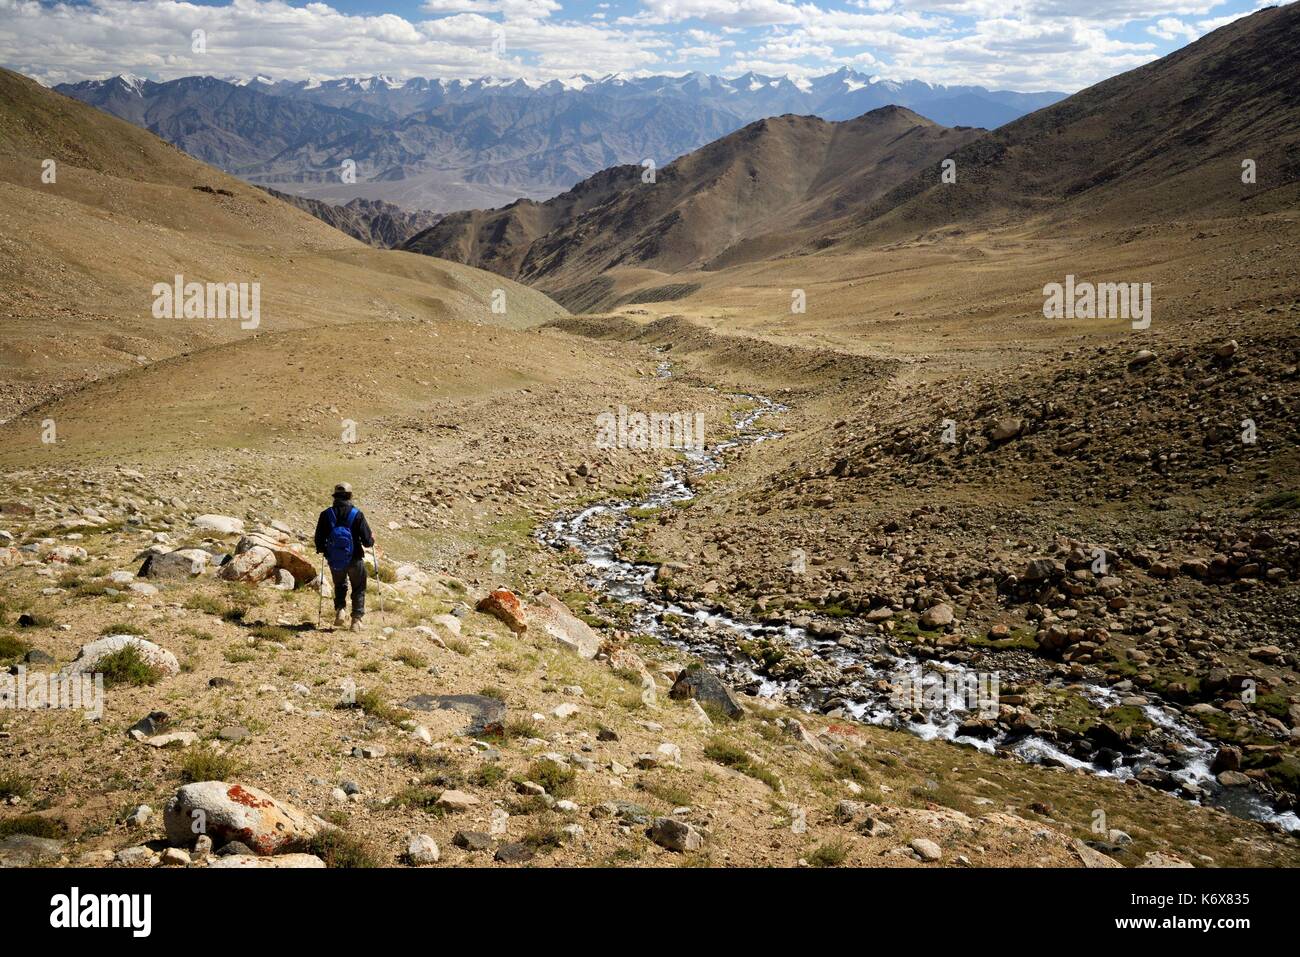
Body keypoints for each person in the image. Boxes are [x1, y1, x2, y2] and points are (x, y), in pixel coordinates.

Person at [314, 482, 375, 631]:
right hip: (355, 558)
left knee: (340, 584)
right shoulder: (357, 514)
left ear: (335, 496)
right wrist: (372, 539)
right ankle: (356, 620)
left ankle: (340, 610)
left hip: (335, 559)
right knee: (359, 587)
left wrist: (324, 550)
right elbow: (367, 542)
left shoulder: (326, 514)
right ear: (350, 496)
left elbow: (318, 539)